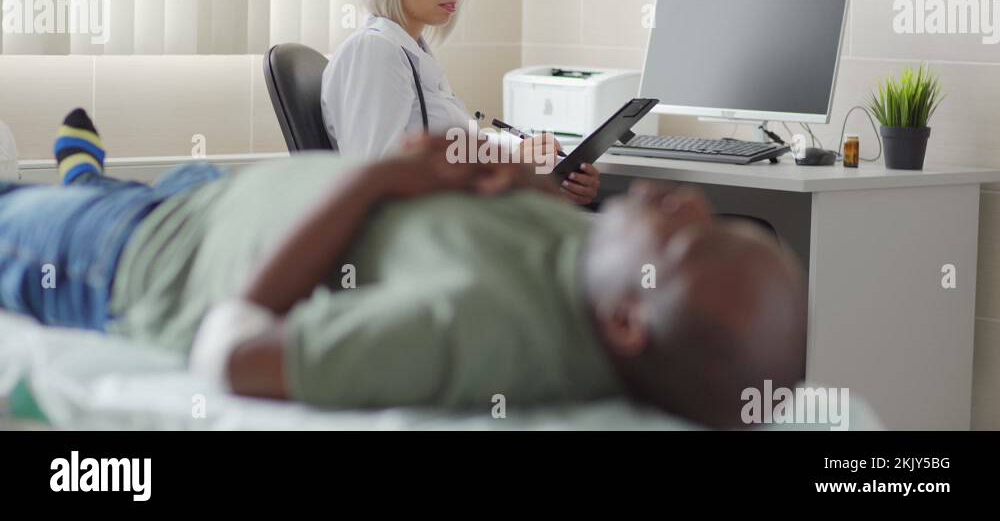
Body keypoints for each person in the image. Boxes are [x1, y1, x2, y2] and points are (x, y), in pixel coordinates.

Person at [0, 110, 806, 429]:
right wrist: (517, 180)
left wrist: (381, 178)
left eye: (684, 238)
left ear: (628, 321)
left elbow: (233, 353)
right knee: (105, 189)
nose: (682, 198)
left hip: (143, 257)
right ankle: (84, 172)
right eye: (710, 213)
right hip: (221, 200)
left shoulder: (470, 327)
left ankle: (82, 181)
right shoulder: (588, 264)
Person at [321, 0, 602, 207]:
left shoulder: (411, 53)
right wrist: (510, 162)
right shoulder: (373, 51)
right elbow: (376, 177)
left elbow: (455, 149)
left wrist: (539, 165)